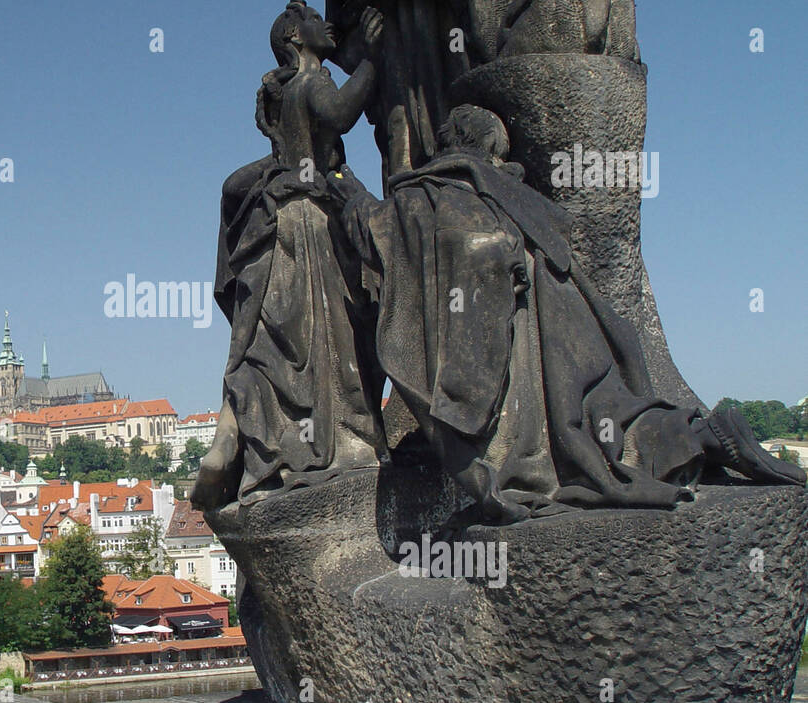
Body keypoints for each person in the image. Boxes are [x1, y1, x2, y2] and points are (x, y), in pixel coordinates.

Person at [329, 104, 808, 522]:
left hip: (506, 357)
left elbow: (372, 229)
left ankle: (694, 440)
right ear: (492, 151)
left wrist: (348, 190)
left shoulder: (423, 198)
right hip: (563, 348)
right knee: (597, 426)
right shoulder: (517, 200)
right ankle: (699, 436)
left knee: (542, 447)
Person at [193, 0, 389, 511]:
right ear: (296, 40)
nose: (327, 23)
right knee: (331, 335)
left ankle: (249, 435)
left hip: (275, 219)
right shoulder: (312, 80)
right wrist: (372, 57)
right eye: (312, 21)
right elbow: (342, 115)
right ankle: (341, 442)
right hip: (311, 221)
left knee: (272, 342)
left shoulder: (279, 99)